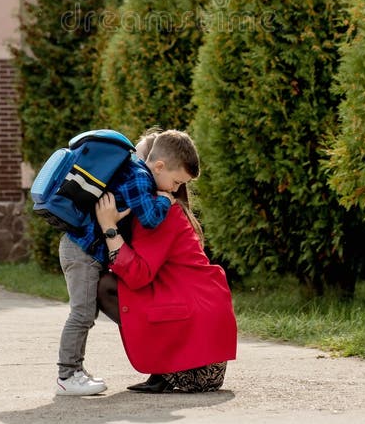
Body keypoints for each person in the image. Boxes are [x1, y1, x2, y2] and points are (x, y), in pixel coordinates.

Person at [56, 128, 200, 396]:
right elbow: (150, 219)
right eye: (177, 182)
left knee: (85, 313)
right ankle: (68, 374)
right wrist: (166, 201)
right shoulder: (139, 178)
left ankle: (75, 371)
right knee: (82, 313)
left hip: (85, 250)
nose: (176, 189)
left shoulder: (135, 173)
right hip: (81, 252)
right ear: (159, 165)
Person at [95, 133, 237, 393]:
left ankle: (166, 368)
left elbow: (137, 275)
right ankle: (164, 366)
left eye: (139, 161)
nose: (135, 168)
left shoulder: (160, 214)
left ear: (157, 167)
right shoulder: (166, 206)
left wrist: (108, 226)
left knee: (104, 287)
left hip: (197, 367)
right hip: (204, 343)